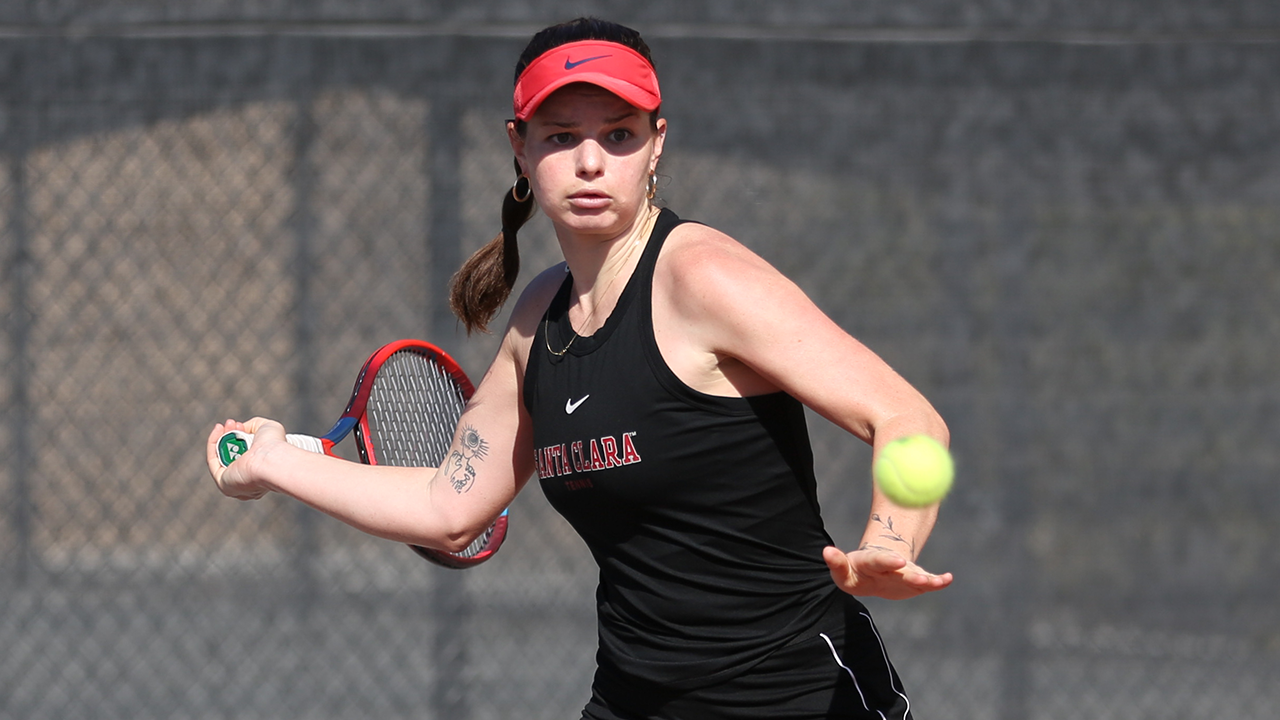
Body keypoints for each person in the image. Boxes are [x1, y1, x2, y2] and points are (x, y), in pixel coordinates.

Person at [207, 17, 952, 720]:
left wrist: (890, 540)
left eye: (619, 135)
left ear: (657, 145)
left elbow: (909, 418)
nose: (591, 161)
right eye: (562, 136)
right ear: (520, 148)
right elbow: (447, 506)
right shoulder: (538, 321)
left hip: (795, 693)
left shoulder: (704, 278)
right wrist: (272, 464)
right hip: (633, 695)